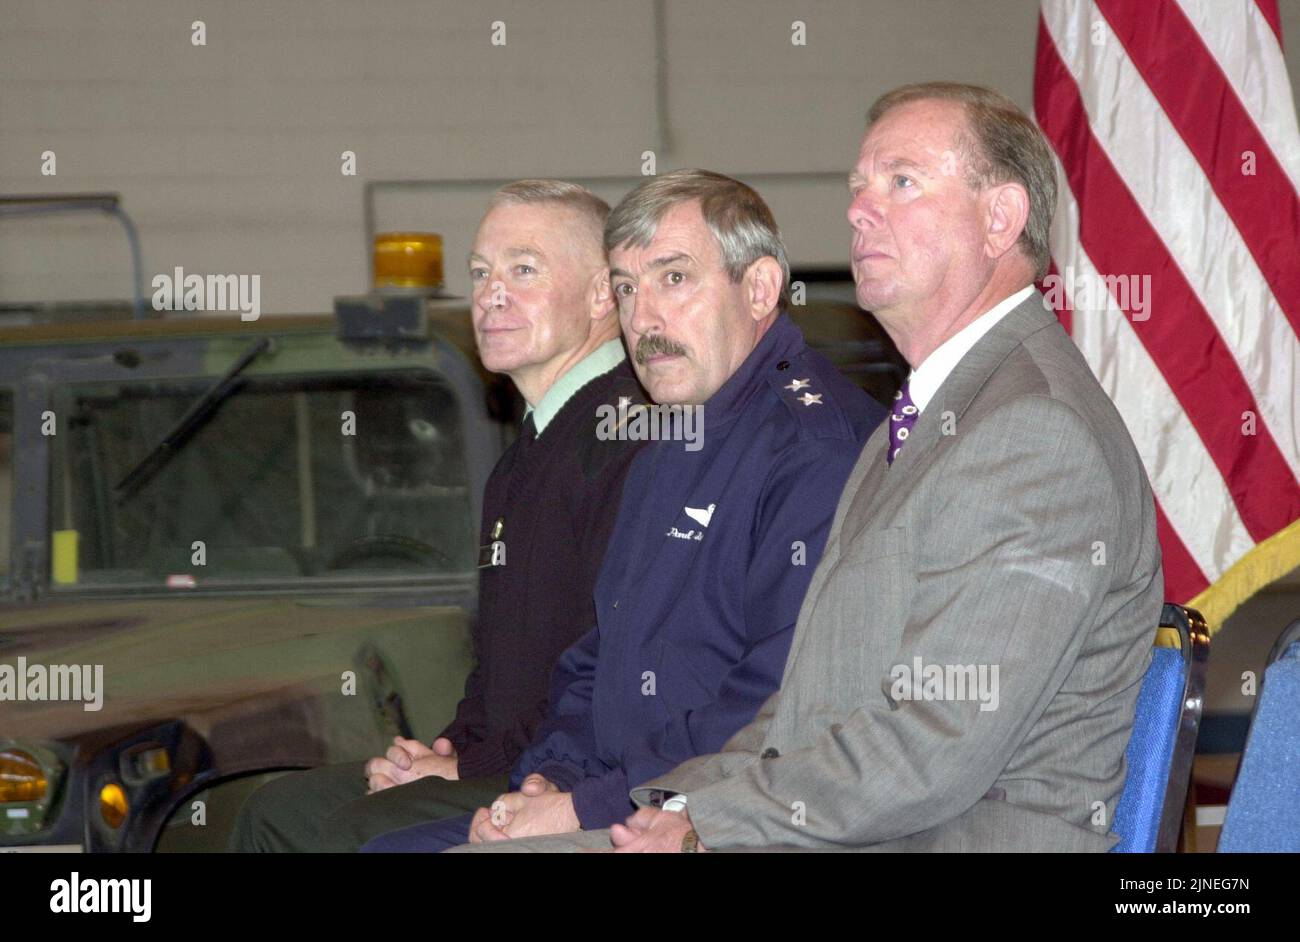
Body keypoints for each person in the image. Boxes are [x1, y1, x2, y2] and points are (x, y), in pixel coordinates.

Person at [452, 84, 1164, 854]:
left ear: (1000, 218)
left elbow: (932, 746)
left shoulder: (1032, 431)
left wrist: (705, 825)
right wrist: (667, 802)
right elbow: (801, 711)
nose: (859, 210)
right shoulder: (932, 415)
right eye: (858, 188)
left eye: (901, 182)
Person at [361, 169, 885, 851]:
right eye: (629, 288)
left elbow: (777, 705)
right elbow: (597, 657)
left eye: (674, 279)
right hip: (612, 790)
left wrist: (584, 803)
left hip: (716, 813)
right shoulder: (675, 432)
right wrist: (547, 775)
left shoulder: (813, 450)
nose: (644, 319)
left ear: (758, 289)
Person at [230, 180, 649, 851]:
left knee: (355, 833)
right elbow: (502, 663)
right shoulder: (528, 451)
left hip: (569, 771)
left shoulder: (625, 438)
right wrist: (443, 749)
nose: (491, 294)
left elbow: (599, 662)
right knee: (275, 811)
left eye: (523, 270)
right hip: (502, 757)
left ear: (603, 294)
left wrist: (466, 767)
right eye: (481, 273)